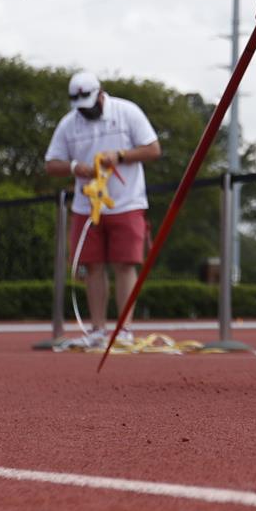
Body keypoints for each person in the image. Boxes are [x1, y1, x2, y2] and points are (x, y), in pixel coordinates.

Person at [44, 70, 161, 349]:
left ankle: (124, 329)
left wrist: (119, 156)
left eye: (90, 106)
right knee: (91, 265)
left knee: (125, 264)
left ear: (100, 94)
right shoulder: (69, 124)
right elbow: (51, 163)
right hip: (87, 206)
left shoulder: (127, 112)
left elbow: (153, 149)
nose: (86, 112)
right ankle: (97, 330)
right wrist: (75, 168)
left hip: (127, 202)